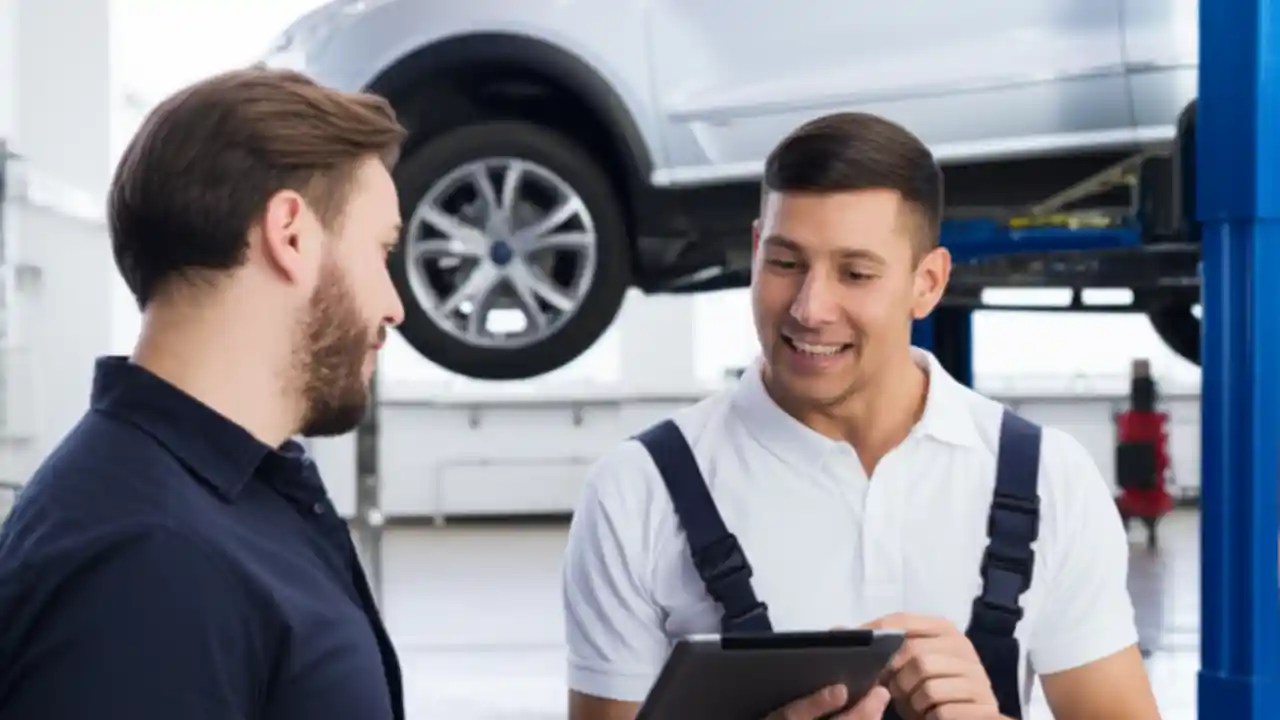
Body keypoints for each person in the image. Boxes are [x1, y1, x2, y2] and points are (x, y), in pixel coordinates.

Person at [561, 112, 1162, 720]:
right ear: (754, 252)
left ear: (926, 283)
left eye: (855, 273)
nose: (810, 307)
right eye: (785, 263)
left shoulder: (1046, 480)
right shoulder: (638, 491)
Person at [0, 67, 408, 719]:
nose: (394, 307)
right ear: (291, 235)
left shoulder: (231, 499)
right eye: (381, 251)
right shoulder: (147, 563)